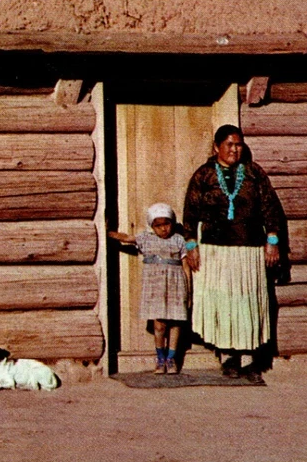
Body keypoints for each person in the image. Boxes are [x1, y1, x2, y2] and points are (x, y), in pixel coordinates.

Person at [183, 124, 283, 382]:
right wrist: (191, 246)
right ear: (216, 147)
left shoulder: (254, 173)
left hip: (248, 249)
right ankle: (229, 358)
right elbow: (190, 213)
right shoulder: (204, 175)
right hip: (216, 250)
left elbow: (270, 208)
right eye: (229, 144)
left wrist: (272, 240)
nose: (234, 149)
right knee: (223, 302)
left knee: (246, 301)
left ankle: (250, 361)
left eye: (238, 144)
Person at [109, 202, 190, 374]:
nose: (163, 229)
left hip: (176, 284)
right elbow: (126, 238)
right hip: (156, 286)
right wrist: (108, 233)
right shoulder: (146, 238)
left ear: (172, 223)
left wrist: (188, 292)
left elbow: (186, 266)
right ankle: (160, 359)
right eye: (158, 225)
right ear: (152, 226)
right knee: (159, 324)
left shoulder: (179, 240)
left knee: (176, 322)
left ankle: (171, 359)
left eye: (166, 224)